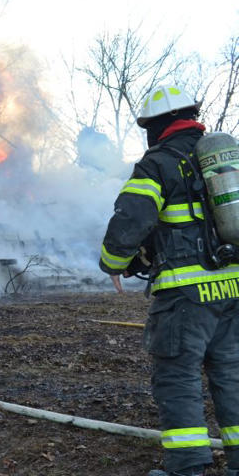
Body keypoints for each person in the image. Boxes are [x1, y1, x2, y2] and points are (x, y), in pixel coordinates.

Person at [99, 84, 239, 476]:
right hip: (233, 289)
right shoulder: (226, 161)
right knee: (231, 375)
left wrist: (112, 264)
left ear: (155, 126)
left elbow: (128, 224)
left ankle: (187, 466)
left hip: (184, 298)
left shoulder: (158, 164)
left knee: (177, 377)